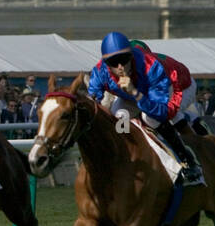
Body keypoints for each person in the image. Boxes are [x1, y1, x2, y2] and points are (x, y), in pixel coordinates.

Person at [87, 31, 204, 186]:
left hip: (178, 86)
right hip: (140, 93)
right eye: (114, 62)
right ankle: (123, 156)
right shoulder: (100, 71)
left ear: (132, 56)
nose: (120, 66)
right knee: (119, 115)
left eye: (124, 59)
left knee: (151, 117)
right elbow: (93, 97)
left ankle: (186, 160)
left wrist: (134, 92)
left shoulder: (151, 68)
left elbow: (161, 111)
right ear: (106, 63)